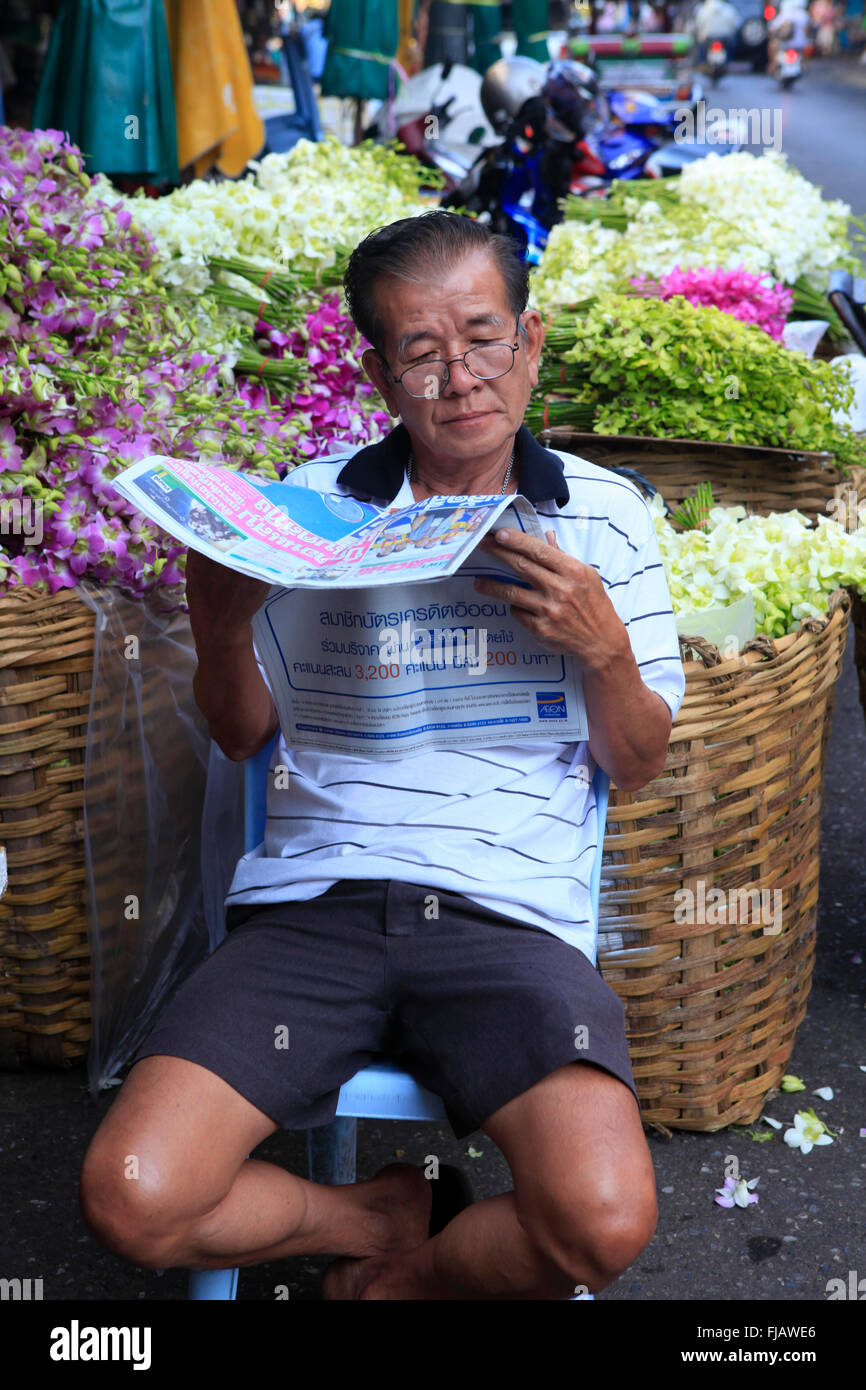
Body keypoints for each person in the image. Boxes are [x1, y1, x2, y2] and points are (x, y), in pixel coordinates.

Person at [79, 211, 686, 1301]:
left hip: (509, 908)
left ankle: (399, 1281)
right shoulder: (310, 505)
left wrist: (603, 652)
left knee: (600, 1220)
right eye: (420, 351)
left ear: (530, 342)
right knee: (131, 1194)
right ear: (378, 372)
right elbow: (240, 732)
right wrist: (219, 627)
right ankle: (364, 1214)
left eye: (482, 337)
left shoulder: (603, 519)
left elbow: (635, 760)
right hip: (318, 902)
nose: (459, 377)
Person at [768, 0, 812, 67]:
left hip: (784, 44)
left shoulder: (784, 14)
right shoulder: (804, 15)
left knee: (772, 44)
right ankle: (803, 63)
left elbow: (772, 28)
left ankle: (773, 64)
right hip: (800, 45)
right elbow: (808, 30)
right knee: (808, 44)